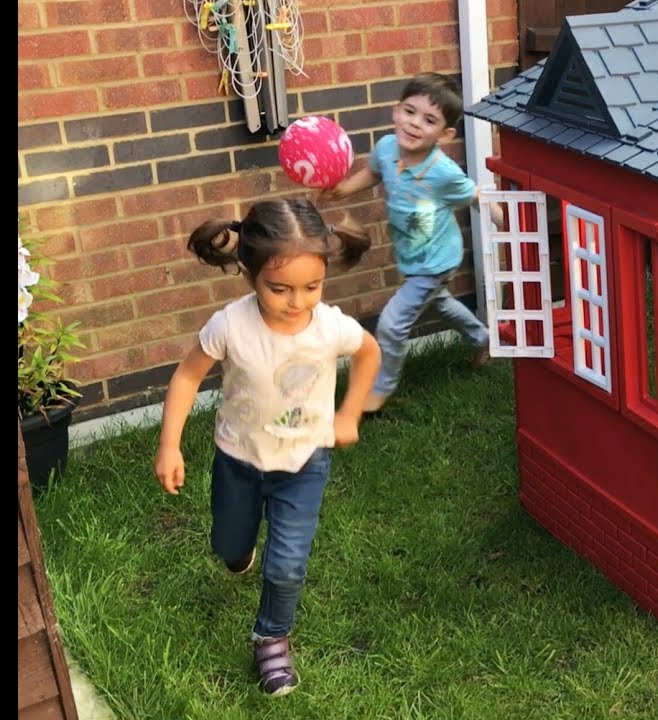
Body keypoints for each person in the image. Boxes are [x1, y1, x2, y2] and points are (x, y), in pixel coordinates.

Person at [152, 198, 381, 697]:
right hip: (239, 458)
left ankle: (272, 636)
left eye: (311, 287)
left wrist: (349, 413)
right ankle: (240, 550)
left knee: (288, 564)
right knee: (229, 548)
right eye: (280, 289)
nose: (298, 301)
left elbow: (369, 352)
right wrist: (170, 446)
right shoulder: (231, 326)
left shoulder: (330, 326)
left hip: (304, 462)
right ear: (249, 275)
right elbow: (187, 377)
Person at [318, 71, 504, 414]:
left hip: (437, 261)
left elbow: (475, 194)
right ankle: (487, 341)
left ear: (445, 134)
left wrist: (507, 223)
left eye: (429, 120)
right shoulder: (387, 148)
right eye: (410, 111)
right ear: (396, 110)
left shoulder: (443, 172)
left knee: (392, 323)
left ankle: (380, 389)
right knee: (442, 304)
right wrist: (342, 190)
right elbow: (374, 173)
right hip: (412, 257)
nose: (415, 123)